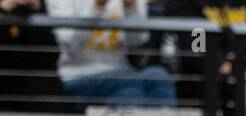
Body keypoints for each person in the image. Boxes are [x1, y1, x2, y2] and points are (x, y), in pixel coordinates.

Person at [47, 0, 176, 107]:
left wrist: (130, 8)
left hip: (122, 71)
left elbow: (137, 40)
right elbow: (69, 41)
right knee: (128, 87)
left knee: (158, 76)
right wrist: (97, 6)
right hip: (78, 75)